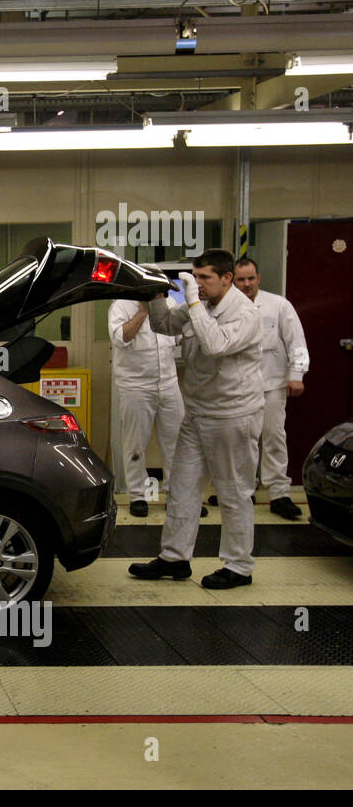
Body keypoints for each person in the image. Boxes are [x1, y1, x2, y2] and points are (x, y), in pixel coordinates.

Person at [130, 251, 264, 589]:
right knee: (183, 489)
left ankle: (239, 566)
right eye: (195, 277)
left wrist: (191, 300)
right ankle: (174, 558)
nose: (198, 284)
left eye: (204, 278)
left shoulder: (245, 313)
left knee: (233, 492)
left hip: (233, 415)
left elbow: (216, 344)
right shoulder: (200, 305)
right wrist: (156, 294)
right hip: (198, 412)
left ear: (226, 278)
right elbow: (163, 325)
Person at [233, 257, 309, 520]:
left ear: (258, 278)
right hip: (239, 387)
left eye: (250, 278)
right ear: (232, 279)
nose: (246, 284)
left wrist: (296, 373)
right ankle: (244, 491)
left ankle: (279, 494)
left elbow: (296, 341)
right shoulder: (226, 307)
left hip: (273, 384)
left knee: (274, 437)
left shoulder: (279, 305)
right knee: (242, 441)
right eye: (241, 279)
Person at [108, 293, 183, 516]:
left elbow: (179, 337)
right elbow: (121, 337)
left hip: (169, 384)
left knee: (177, 443)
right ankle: (138, 496)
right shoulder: (120, 305)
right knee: (135, 445)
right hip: (136, 387)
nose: (157, 295)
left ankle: (177, 495)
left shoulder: (170, 304)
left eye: (159, 290)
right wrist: (143, 311)